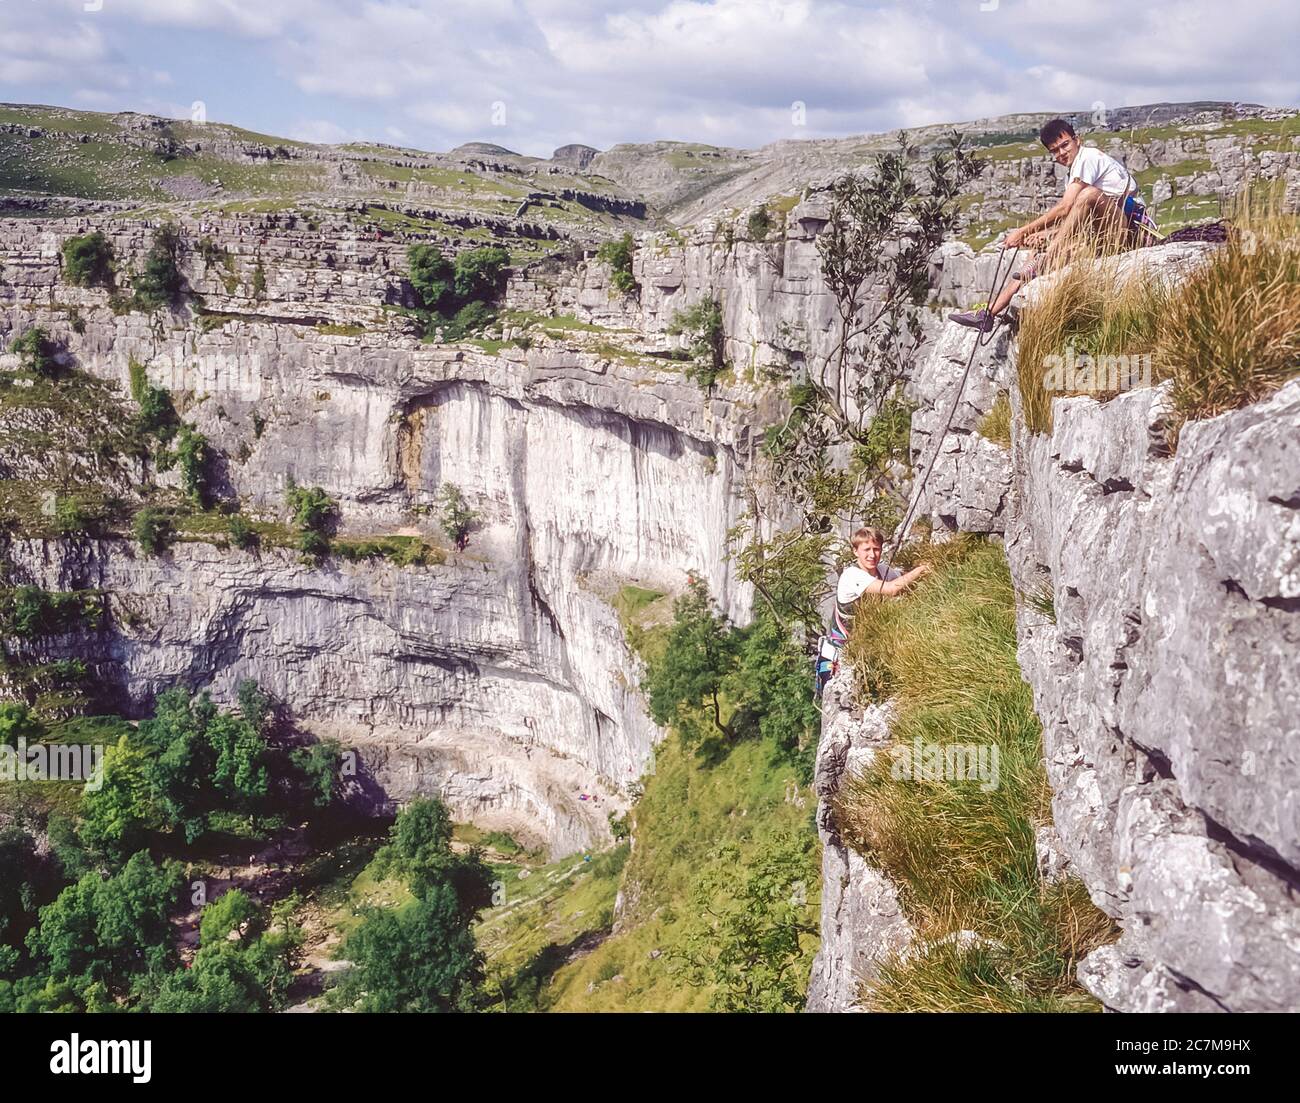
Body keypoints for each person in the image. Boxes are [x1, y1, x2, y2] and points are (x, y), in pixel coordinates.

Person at [949, 118, 1150, 334]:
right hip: (1106, 233)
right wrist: (1045, 234)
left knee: (1089, 195)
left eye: (1065, 145)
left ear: (1077, 140)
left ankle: (1045, 260)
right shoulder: (1073, 171)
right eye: (1055, 150)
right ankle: (990, 312)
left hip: (1129, 231)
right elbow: (1075, 219)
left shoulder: (1088, 158)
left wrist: (1024, 230)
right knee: (1040, 247)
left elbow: (1066, 208)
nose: (1061, 153)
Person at [815, 527, 932, 695]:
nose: (872, 555)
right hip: (839, 654)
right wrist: (921, 569)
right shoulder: (851, 576)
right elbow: (892, 589)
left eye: (876, 549)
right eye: (866, 550)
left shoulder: (883, 571)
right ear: (855, 552)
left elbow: (905, 582)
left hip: (863, 646)